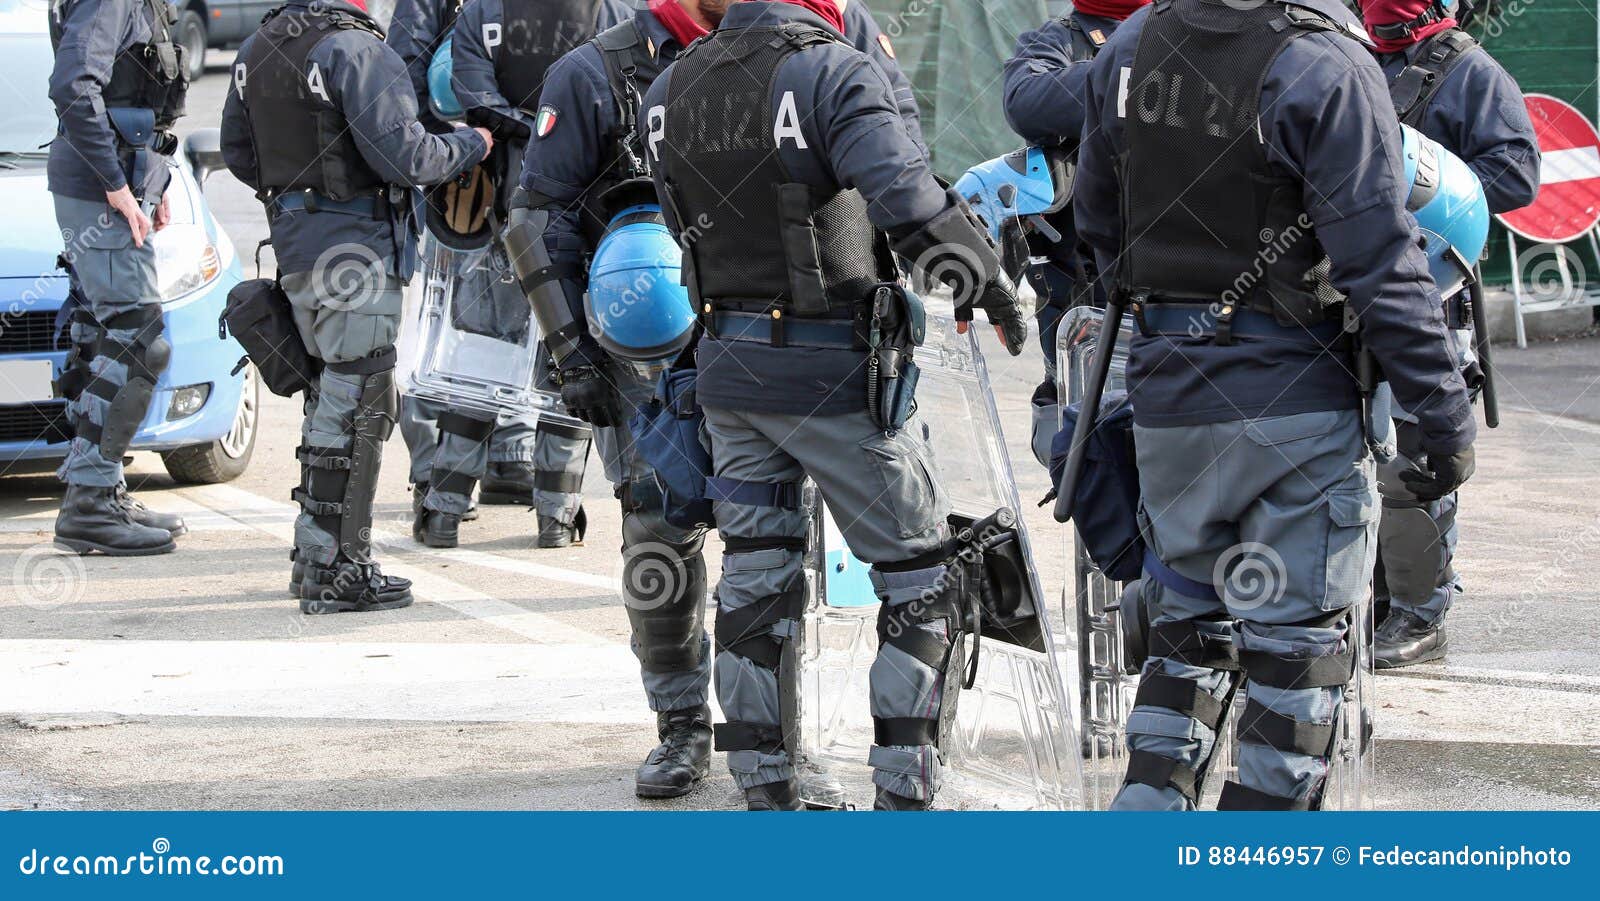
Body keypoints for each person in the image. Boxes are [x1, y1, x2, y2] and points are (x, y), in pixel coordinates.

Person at [1074, 0, 1477, 809]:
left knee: (1184, 647)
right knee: (1294, 676)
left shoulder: (1130, 47)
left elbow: (1097, 222)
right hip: (1296, 409)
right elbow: (1385, 267)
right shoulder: (1325, 61)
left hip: (1169, 403)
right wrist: (1445, 419)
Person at [643, 0, 1027, 810]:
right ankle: (903, 798)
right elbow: (908, 199)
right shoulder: (830, 71)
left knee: (755, 577)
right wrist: (987, 284)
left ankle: (768, 793)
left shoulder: (671, 86)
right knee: (922, 578)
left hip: (728, 370)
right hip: (832, 376)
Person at [221, 0, 492, 612]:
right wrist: (472, 144)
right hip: (358, 250)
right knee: (361, 402)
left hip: (295, 246)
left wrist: (297, 194)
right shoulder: (358, 49)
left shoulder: (256, 48)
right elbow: (410, 158)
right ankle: (341, 568)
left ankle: (318, 557)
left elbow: (239, 153)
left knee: (330, 397)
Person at [402, 0, 631, 549]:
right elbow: (625, 99)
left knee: (478, 364)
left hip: (502, 211)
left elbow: (474, 99)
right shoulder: (610, 10)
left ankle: (443, 513)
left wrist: (527, 131)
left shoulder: (483, 9)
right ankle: (556, 517)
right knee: (573, 360)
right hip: (586, 215)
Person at [1360, 0, 1539, 668]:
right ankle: (1368, 601)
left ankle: (1418, 613)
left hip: (1426, 297)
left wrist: (1432, 188)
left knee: (1414, 462)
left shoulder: (1471, 72)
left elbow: (1516, 172)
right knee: (1346, 453)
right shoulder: (1346, 54)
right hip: (1341, 289)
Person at [47, 0, 190, 556]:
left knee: (104, 337)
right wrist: (115, 184)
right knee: (139, 341)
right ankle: (88, 502)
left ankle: (102, 488)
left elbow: (136, 100)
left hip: (117, 186)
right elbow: (73, 86)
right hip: (97, 190)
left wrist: (149, 185)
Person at [1002, 0, 1147, 466]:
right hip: (1082, 283)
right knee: (1086, 454)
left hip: (1173, 275)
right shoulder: (1062, 37)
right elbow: (1026, 101)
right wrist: (1126, 80)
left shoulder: (1189, 33)